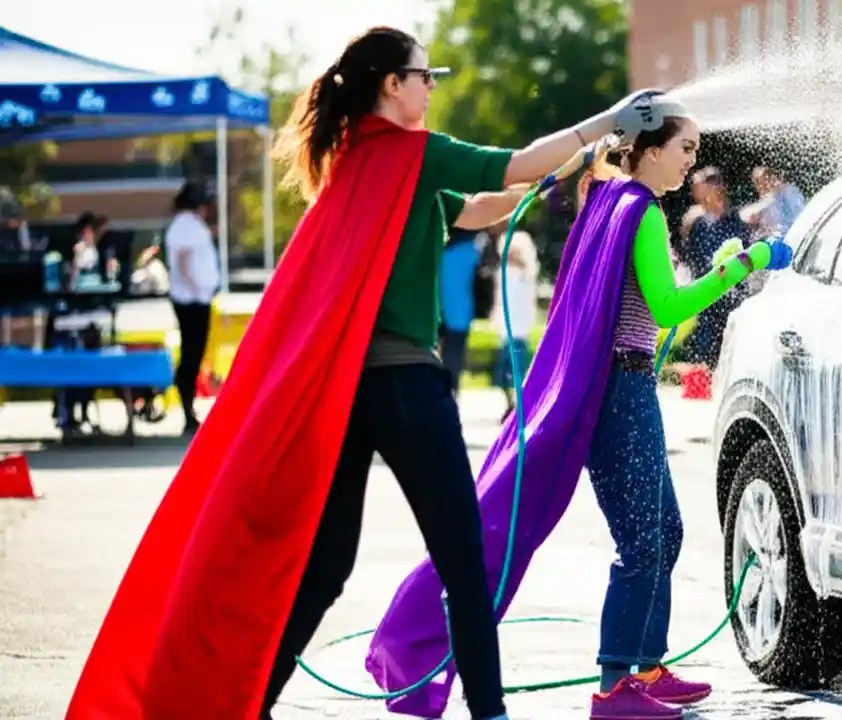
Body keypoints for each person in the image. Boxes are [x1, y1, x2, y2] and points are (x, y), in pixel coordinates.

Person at [65, 25, 660, 720]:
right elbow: (514, 164)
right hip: (408, 387)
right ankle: (490, 713)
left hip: (345, 393)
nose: (431, 86)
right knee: (464, 561)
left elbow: (480, 207)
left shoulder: (355, 163)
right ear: (392, 85)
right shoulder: (415, 152)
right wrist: (610, 119)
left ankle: (254, 705)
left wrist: (570, 164)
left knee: (325, 568)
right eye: (424, 75)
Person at [366, 93, 792, 720]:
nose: (690, 160)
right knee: (644, 540)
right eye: (684, 148)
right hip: (623, 393)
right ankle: (616, 689)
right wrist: (748, 262)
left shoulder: (612, 200)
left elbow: (643, 308)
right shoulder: (641, 210)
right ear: (649, 151)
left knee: (662, 532)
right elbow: (669, 308)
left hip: (620, 387)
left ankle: (643, 668)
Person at [679, 166, 750, 368]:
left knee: (731, 349)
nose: (694, 192)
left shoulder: (735, 220)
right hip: (704, 292)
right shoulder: (696, 221)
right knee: (702, 349)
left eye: (699, 187)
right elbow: (689, 256)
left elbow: (745, 254)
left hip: (731, 292)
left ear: (716, 189)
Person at [163, 182, 220, 434]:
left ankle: (189, 406)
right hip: (192, 300)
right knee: (191, 353)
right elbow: (185, 262)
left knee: (194, 353)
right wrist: (198, 288)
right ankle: (187, 408)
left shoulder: (188, 225)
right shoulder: (186, 225)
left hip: (195, 298)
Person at [489, 228, 538, 421]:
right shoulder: (503, 273)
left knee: (517, 372)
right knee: (503, 373)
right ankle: (510, 404)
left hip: (519, 330)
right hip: (505, 331)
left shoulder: (527, 273)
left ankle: (519, 406)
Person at [439, 225, 484, 394]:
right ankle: (451, 394)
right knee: (454, 357)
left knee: (435, 357)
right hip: (460, 313)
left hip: (438, 312)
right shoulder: (472, 252)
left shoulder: (441, 253)